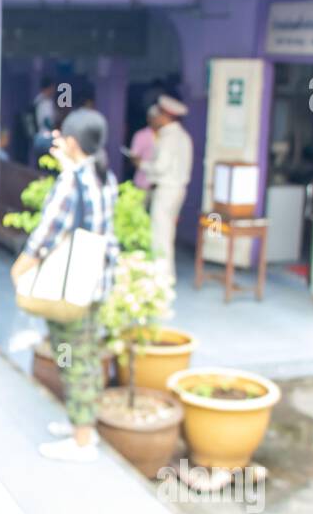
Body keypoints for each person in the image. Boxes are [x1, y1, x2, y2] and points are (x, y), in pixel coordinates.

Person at [10, 111, 121, 464]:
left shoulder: (72, 183)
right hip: (94, 282)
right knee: (85, 354)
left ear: (71, 142)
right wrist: (68, 164)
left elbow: (48, 231)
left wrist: (22, 265)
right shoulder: (105, 177)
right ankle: (82, 424)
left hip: (69, 286)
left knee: (74, 358)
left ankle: (82, 441)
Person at [144, 94, 192, 284]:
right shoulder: (183, 136)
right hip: (177, 190)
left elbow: (160, 166)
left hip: (166, 189)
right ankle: (166, 275)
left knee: (160, 234)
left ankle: (160, 277)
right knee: (167, 232)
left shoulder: (168, 137)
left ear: (165, 115)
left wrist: (143, 165)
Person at [30, 80, 58, 165]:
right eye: (52, 88)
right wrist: (54, 130)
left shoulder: (37, 100)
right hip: (45, 137)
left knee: (40, 164)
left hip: (37, 137)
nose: (53, 91)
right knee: (48, 164)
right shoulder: (45, 102)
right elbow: (47, 121)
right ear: (48, 88)